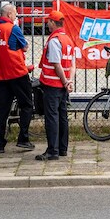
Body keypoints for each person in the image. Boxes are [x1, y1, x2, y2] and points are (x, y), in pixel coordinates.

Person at [0, 3, 34, 153]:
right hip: (17, 73)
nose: (16, 16)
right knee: (26, 105)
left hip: (0, 75)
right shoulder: (13, 28)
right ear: (9, 14)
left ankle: (0, 144)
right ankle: (23, 139)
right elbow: (24, 46)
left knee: (2, 110)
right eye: (15, 13)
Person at [36, 10, 75, 161]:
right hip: (63, 86)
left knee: (52, 117)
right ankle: (62, 148)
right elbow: (72, 64)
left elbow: (56, 64)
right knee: (62, 116)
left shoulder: (54, 40)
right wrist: (69, 81)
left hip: (52, 84)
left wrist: (64, 81)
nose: (47, 24)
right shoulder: (68, 39)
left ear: (53, 22)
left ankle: (53, 150)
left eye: (48, 21)